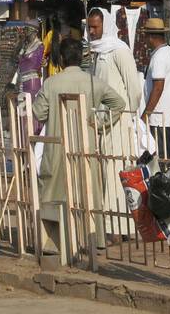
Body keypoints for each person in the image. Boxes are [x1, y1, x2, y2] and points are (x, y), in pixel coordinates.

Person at [31, 37, 124, 252]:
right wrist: (98, 123)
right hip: (86, 146)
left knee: (54, 194)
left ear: (61, 58)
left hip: (57, 148)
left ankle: (55, 241)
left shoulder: (51, 83)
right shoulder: (92, 82)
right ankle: (91, 240)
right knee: (87, 193)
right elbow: (118, 103)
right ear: (80, 57)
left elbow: (38, 112)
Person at [87, 7, 149, 236]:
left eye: (96, 27)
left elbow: (134, 88)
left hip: (120, 121)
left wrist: (128, 114)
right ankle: (111, 225)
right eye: (90, 27)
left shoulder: (119, 51)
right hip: (103, 122)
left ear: (107, 25)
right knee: (106, 173)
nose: (92, 31)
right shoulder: (96, 53)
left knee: (119, 172)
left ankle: (122, 227)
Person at [139, 18, 170, 159]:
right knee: (169, 153)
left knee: (164, 155)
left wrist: (146, 113)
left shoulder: (159, 57)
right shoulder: (169, 51)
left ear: (151, 37)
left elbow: (158, 87)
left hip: (161, 115)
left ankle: (169, 179)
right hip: (168, 113)